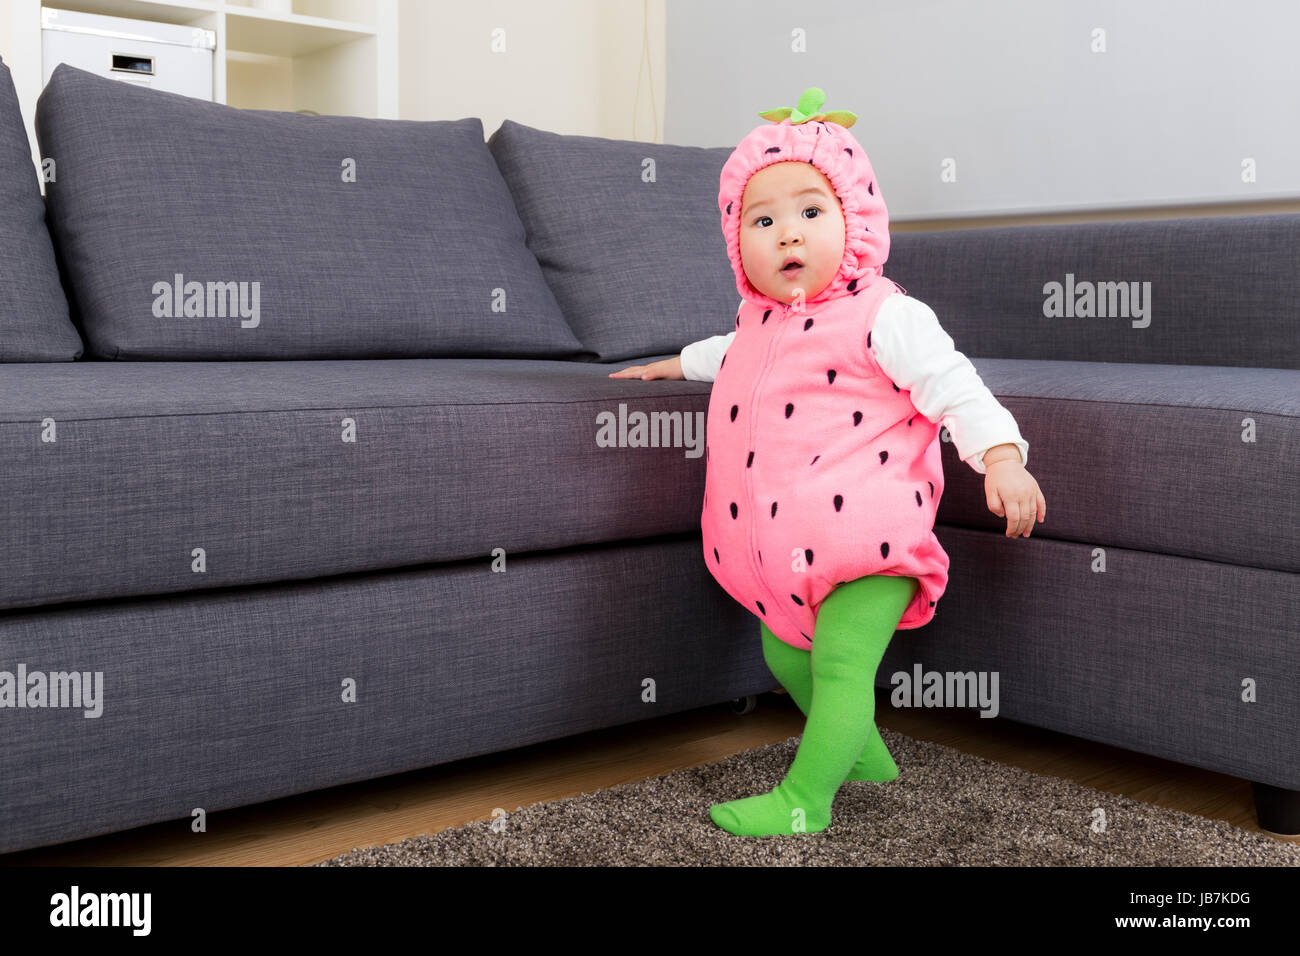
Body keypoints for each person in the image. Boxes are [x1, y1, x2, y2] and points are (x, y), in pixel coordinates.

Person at [609, 87, 1046, 836]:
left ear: (856, 220)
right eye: (764, 218)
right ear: (735, 240)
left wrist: (1002, 458)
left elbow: (956, 386)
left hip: (871, 542)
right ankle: (865, 753)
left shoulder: (886, 315)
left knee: (842, 667)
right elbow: (732, 355)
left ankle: (805, 799)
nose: (788, 235)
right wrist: (676, 363)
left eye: (811, 212)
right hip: (780, 554)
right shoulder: (757, 322)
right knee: (784, 660)